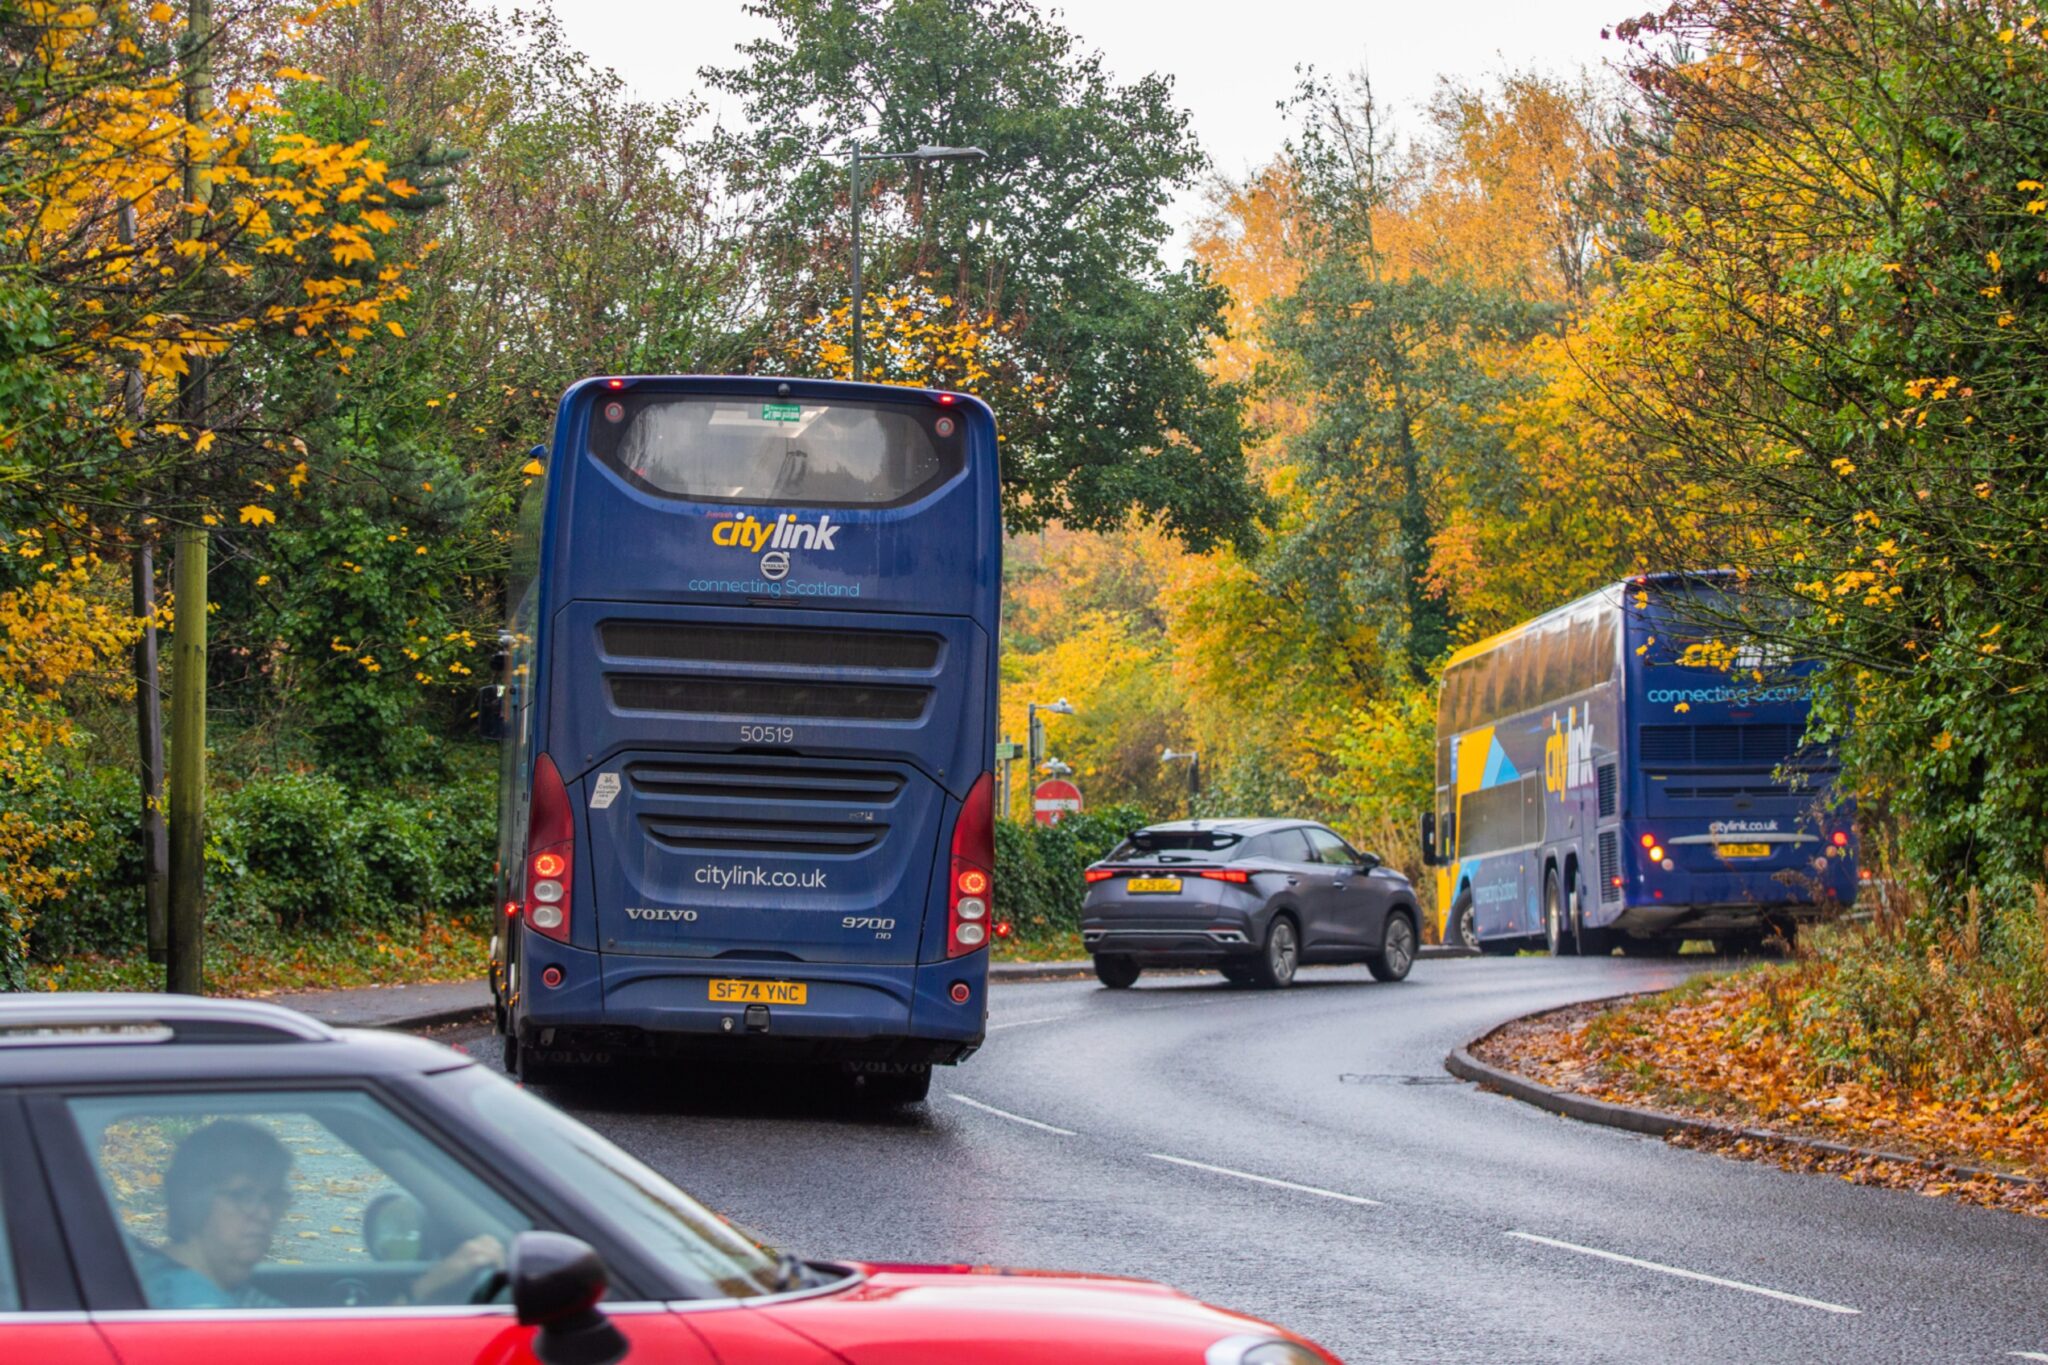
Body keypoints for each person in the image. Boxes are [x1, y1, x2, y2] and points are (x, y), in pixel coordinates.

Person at [138, 1119, 504, 1309]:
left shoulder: (212, 1283)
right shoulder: (194, 1306)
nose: (263, 1214)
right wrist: (429, 1286)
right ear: (190, 1197)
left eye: (273, 1197)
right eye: (243, 1195)